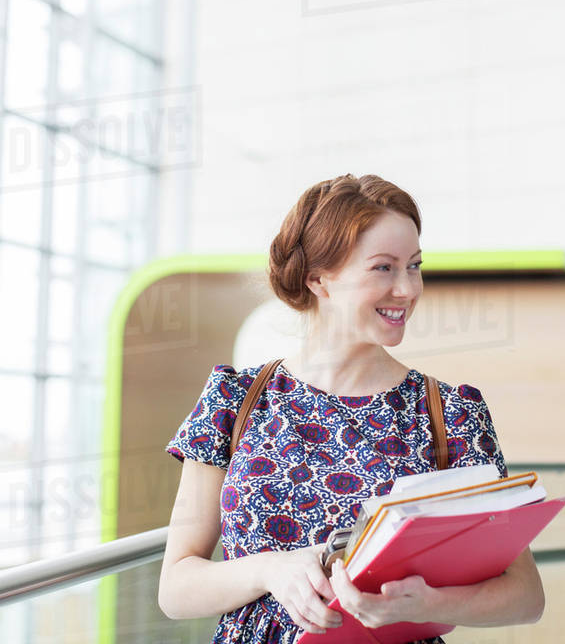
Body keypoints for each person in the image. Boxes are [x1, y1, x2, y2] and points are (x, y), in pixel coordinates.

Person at [157, 174, 545, 643]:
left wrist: (429, 604)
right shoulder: (234, 399)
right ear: (318, 278)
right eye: (384, 268)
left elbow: (525, 594)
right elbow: (175, 588)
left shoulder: (451, 413)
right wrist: (269, 571)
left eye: (414, 266)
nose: (407, 289)